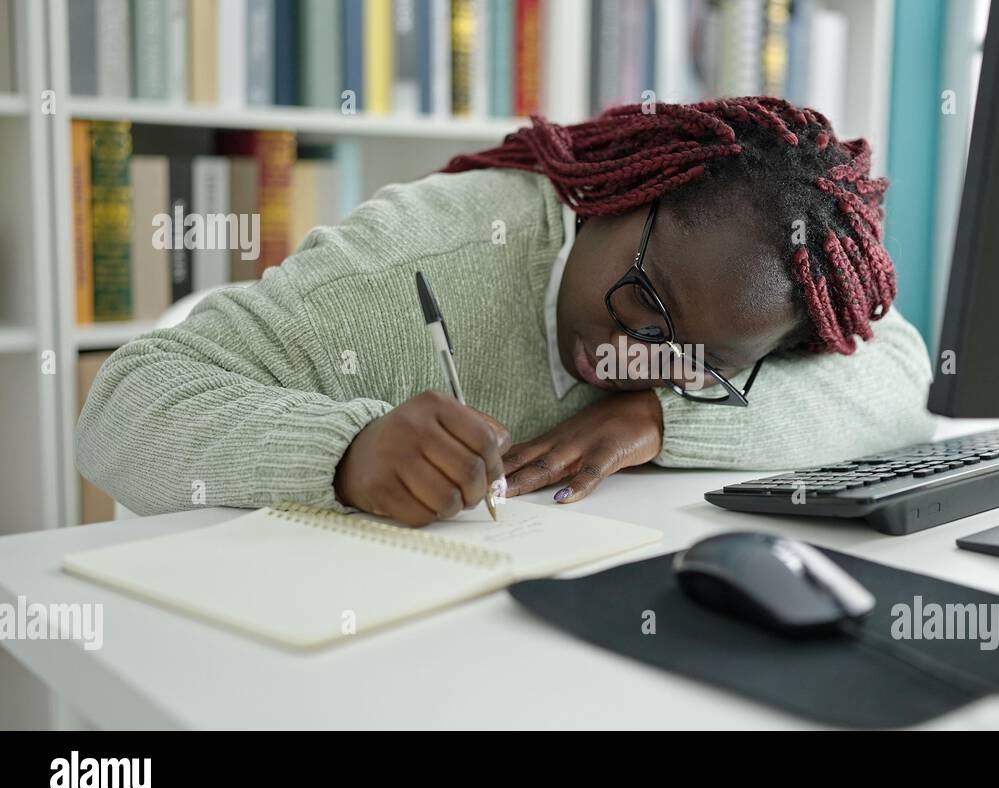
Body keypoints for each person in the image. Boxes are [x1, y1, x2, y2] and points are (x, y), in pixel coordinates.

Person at [78, 97, 936, 525]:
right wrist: (345, 452)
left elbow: (902, 378)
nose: (632, 356)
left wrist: (661, 419)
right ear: (615, 194)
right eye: (647, 304)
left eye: (694, 362)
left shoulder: (743, 304)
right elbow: (122, 405)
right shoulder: (408, 263)